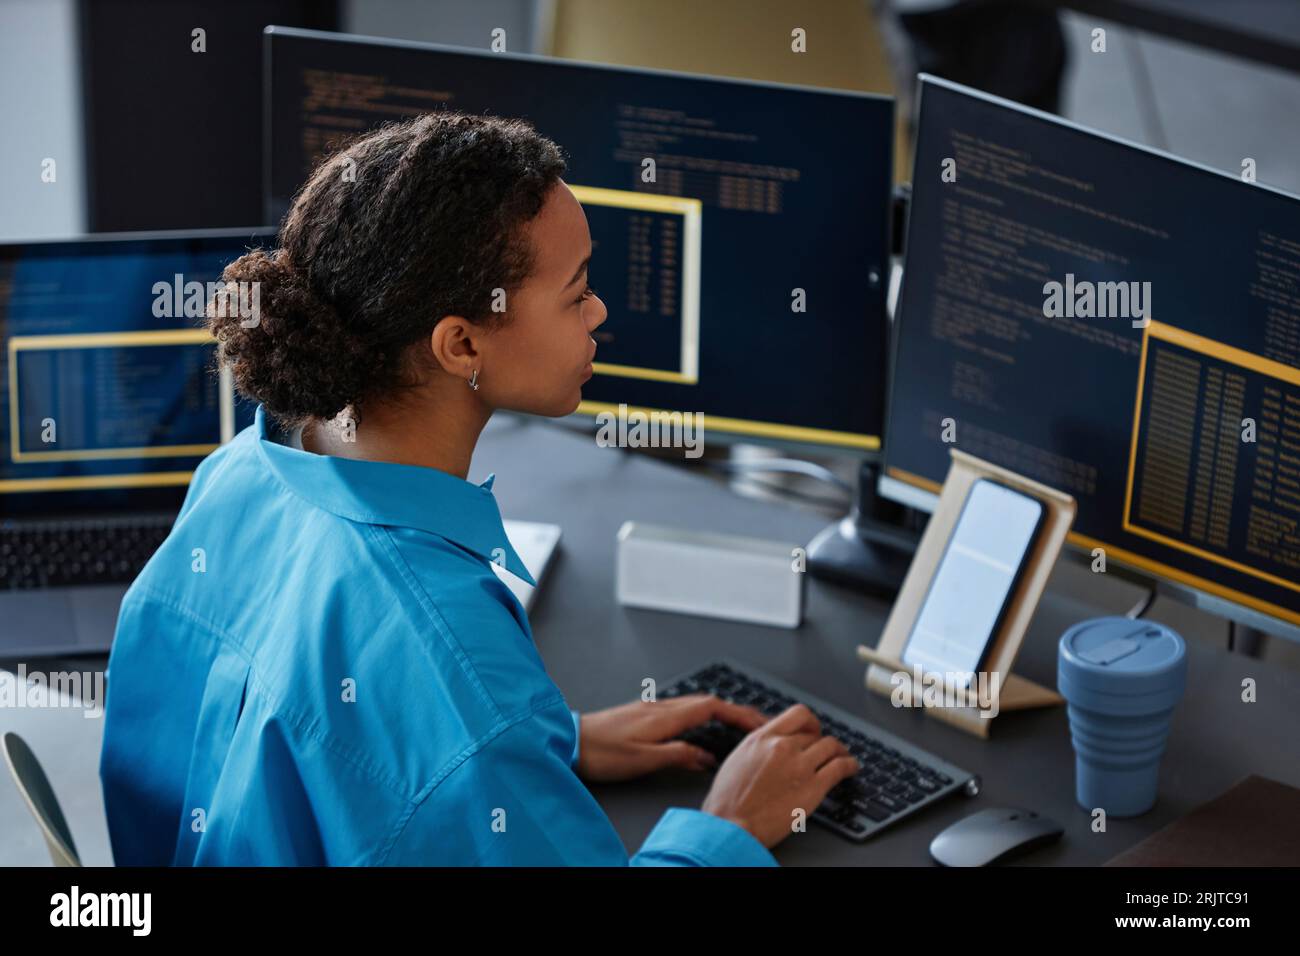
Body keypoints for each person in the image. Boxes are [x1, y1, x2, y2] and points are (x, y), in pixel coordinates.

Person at [99, 111, 860, 865]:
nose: (598, 311)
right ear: (461, 343)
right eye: (576, 292)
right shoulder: (459, 679)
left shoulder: (245, 466)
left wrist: (539, 746)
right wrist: (725, 828)